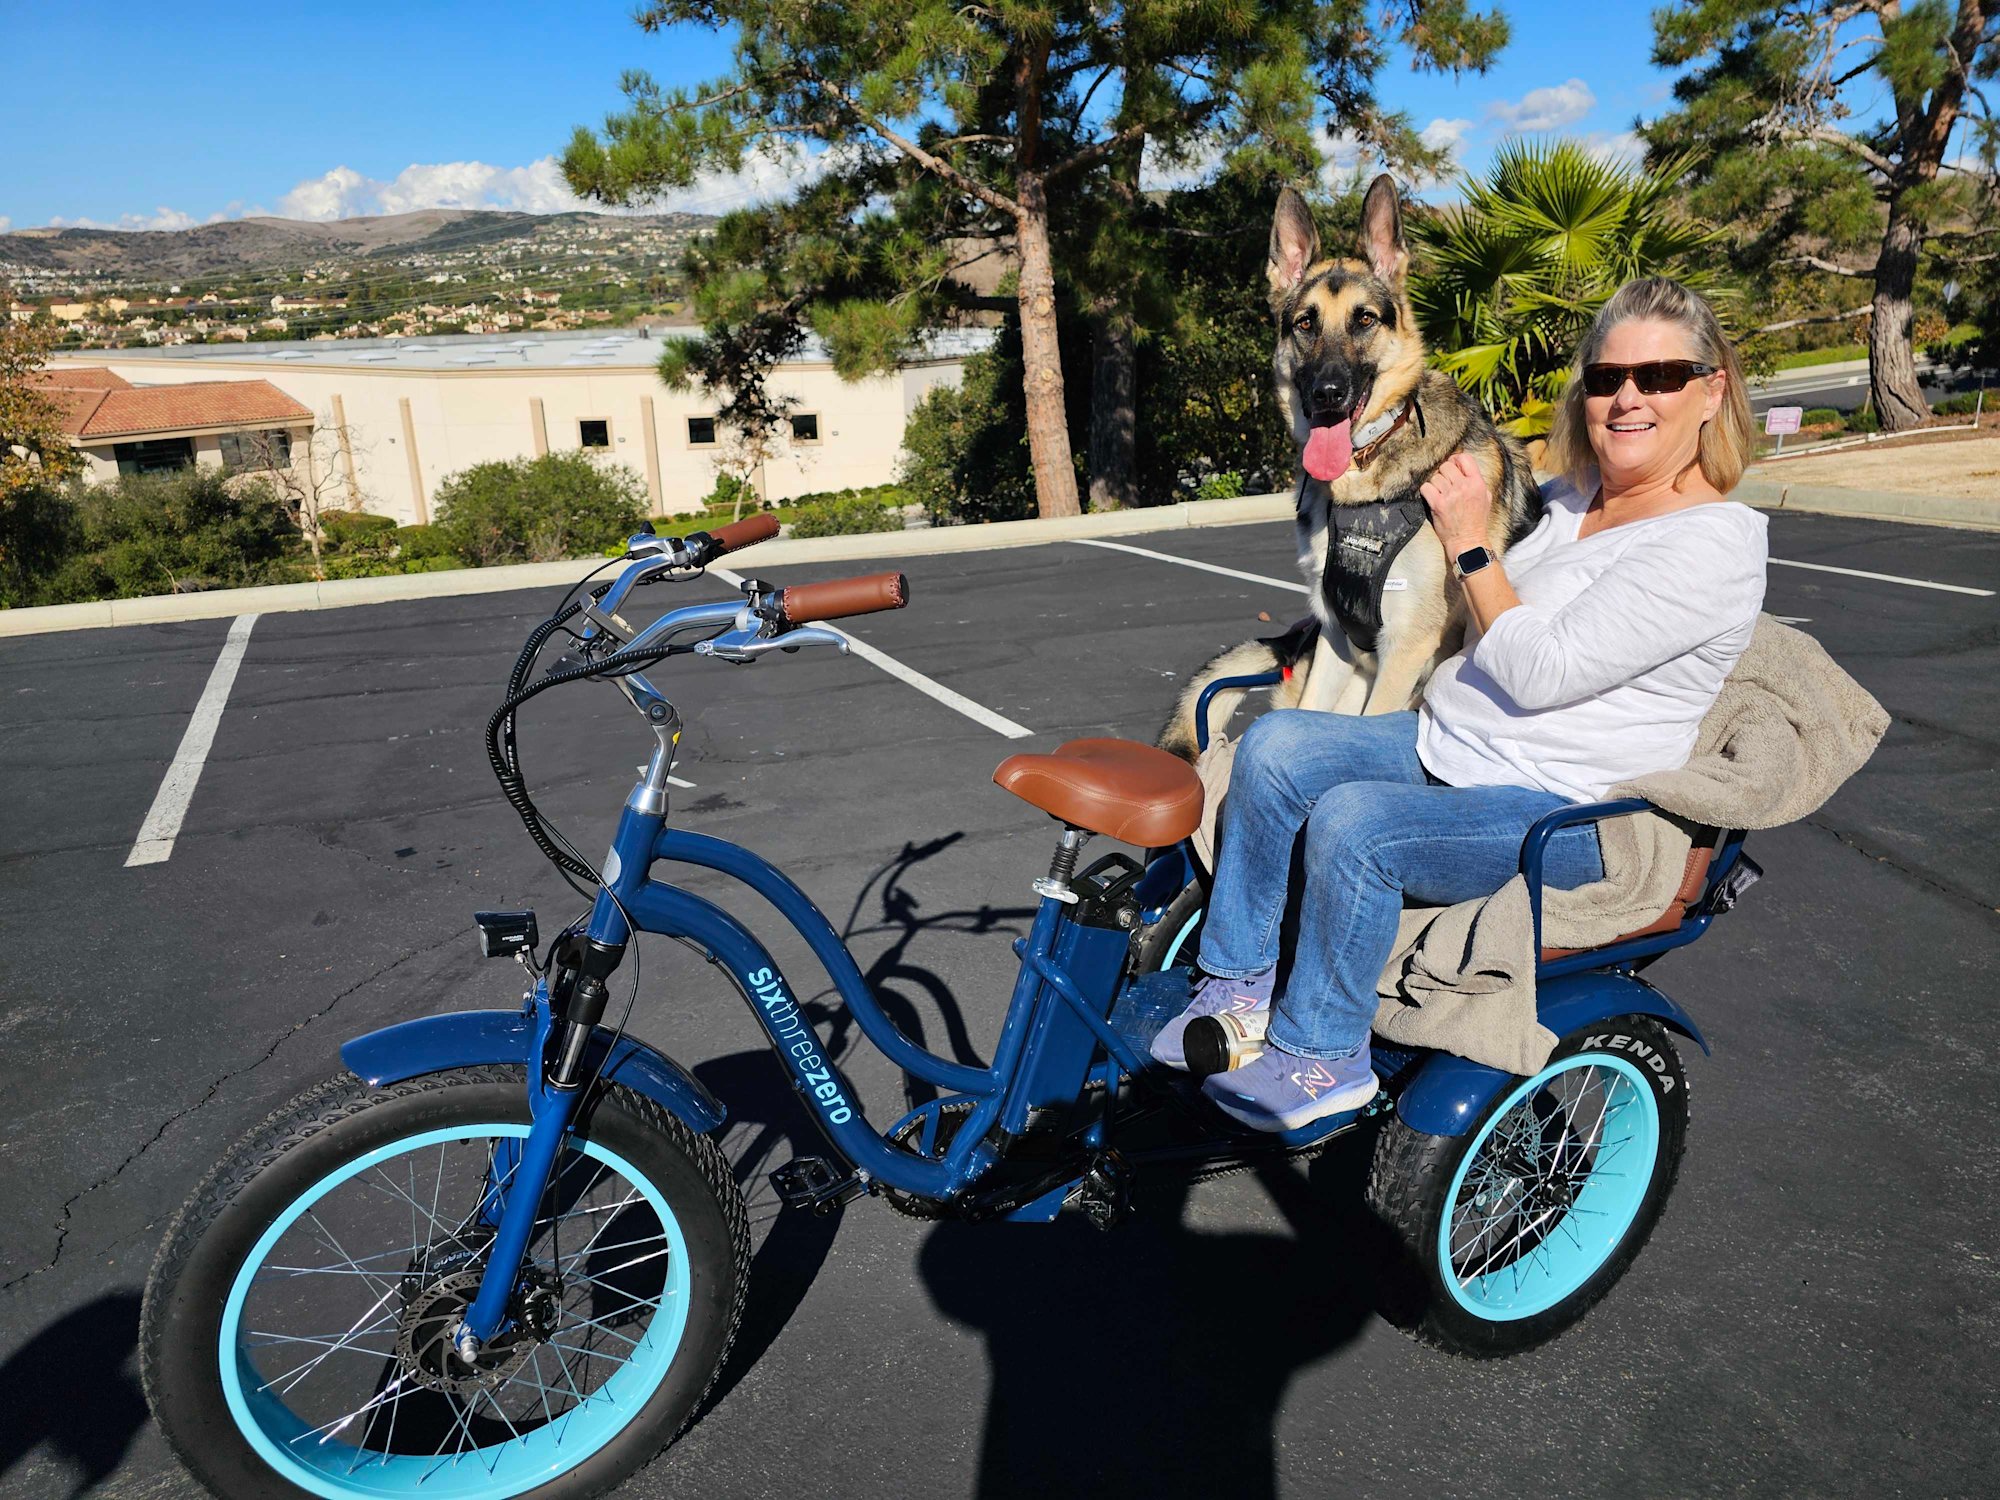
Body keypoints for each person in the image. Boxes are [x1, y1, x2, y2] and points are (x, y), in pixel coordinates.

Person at [1153, 277, 1768, 1132]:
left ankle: (1322, 1057)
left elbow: (1543, 672)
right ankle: (1239, 985)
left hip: (1570, 808)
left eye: (1660, 376)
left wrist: (1472, 543)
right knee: (1277, 748)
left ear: (1713, 390)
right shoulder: (1570, 505)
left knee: (1355, 827)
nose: (1627, 398)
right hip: (1452, 748)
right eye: (1606, 377)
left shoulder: (1711, 545)